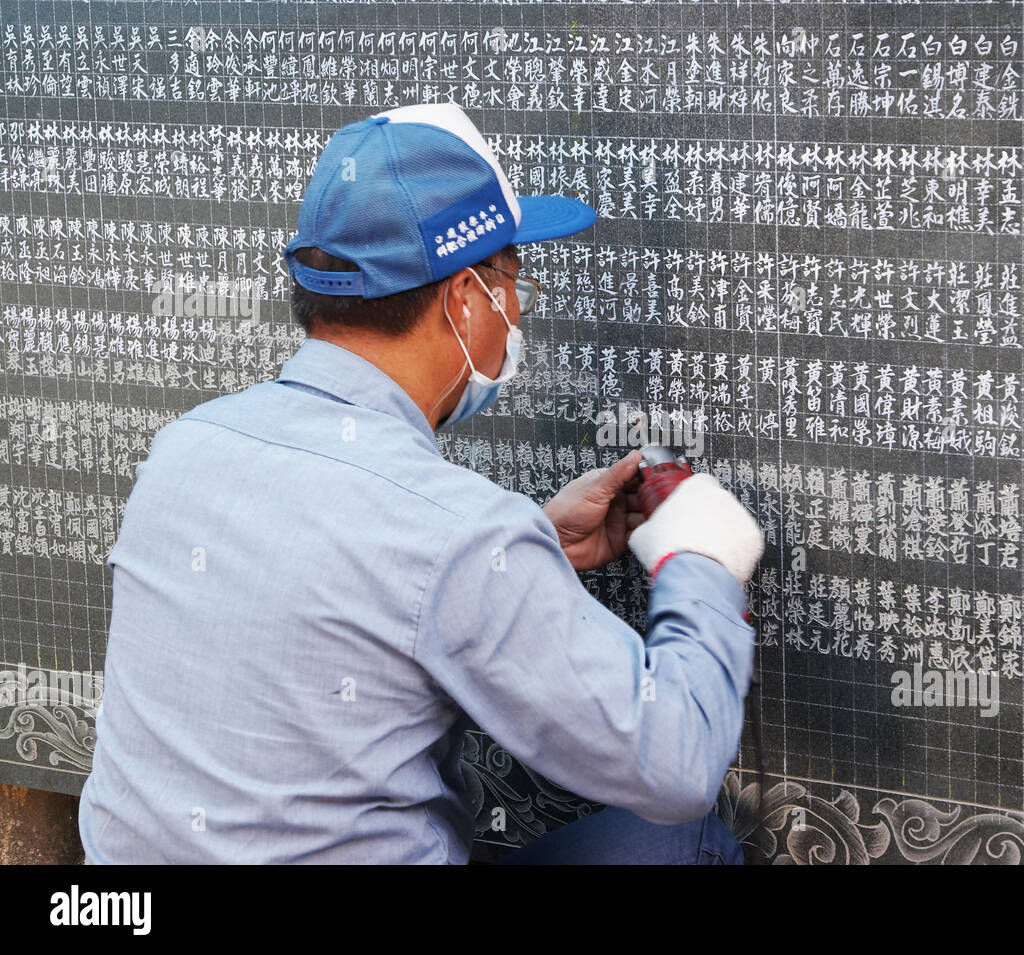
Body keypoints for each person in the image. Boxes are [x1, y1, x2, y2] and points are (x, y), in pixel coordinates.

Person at [79, 103, 764, 864]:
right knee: (678, 840)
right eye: (512, 279)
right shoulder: (451, 533)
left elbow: (340, 586)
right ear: (466, 299)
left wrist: (529, 552)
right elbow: (677, 762)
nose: (515, 308)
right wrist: (699, 561)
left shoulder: (184, 447)